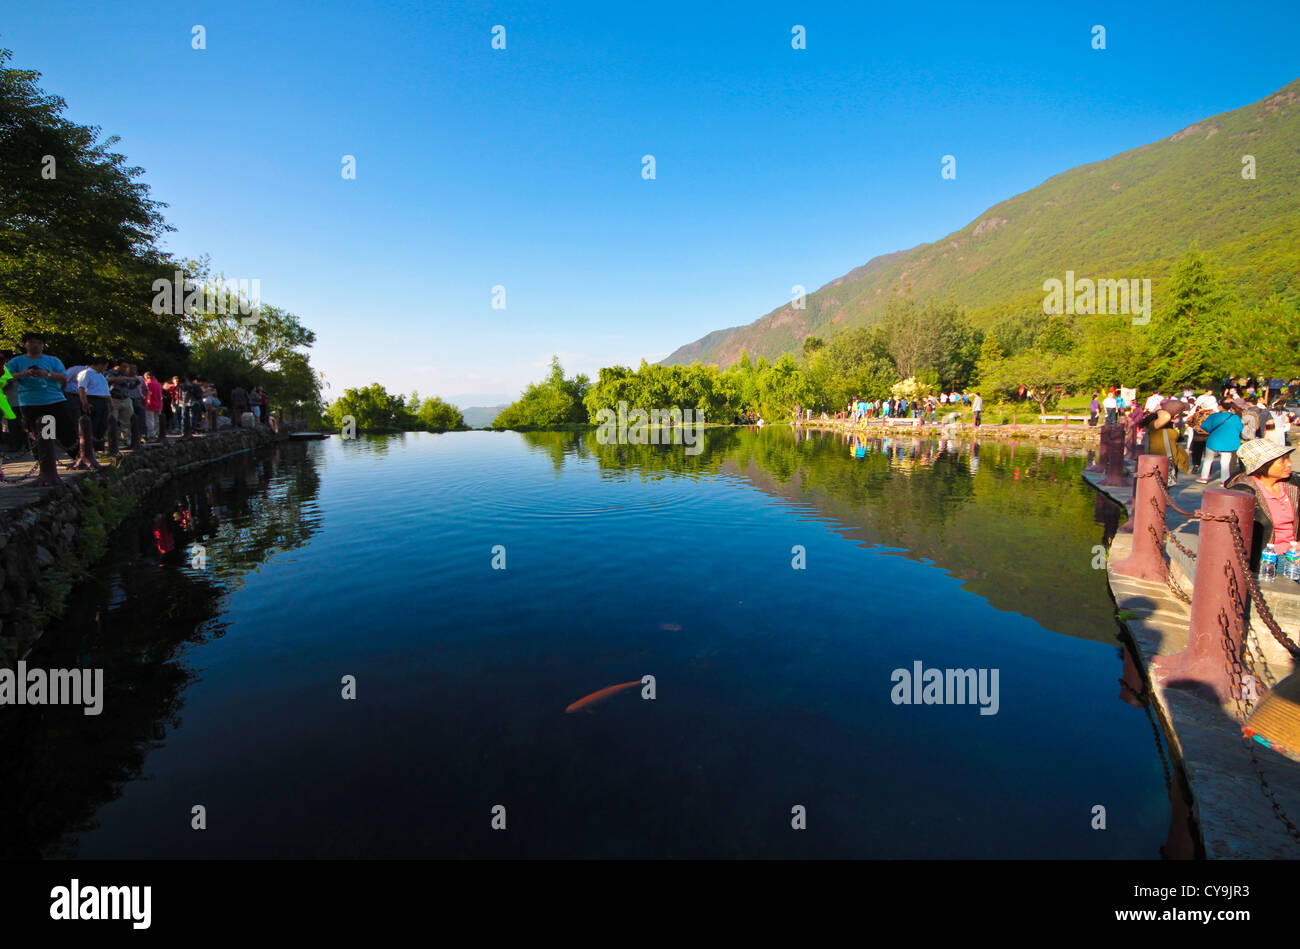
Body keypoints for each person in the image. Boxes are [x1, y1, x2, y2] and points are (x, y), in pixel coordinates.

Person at [5, 332, 76, 455]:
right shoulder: (17, 361)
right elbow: (5, 378)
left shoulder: (53, 360)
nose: (35, 345)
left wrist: (47, 374)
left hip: (55, 400)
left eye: (39, 343)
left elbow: (64, 377)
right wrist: (24, 373)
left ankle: (76, 457)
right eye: (31, 342)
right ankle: (43, 462)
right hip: (29, 402)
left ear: (43, 345)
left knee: (66, 431)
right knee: (36, 434)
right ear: (25, 344)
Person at [1226, 440, 1299, 559]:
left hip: (1295, 552)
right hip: (1269, 558)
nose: (1289, 464)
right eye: (1282, 461)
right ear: (1263, 465)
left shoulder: (1294, 484)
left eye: (1288, 459)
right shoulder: (1244, 492)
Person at [1198, 402, 1244, 484]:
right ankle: (1225, 480)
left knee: (1208, 460)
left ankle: (1204, 477)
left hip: (1214, 440)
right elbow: (1240, 428)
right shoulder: (1235, 417)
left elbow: (1205, 426)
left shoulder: (1214, 416)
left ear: (1220, 407)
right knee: (1226, 461)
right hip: (1229, 441)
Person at [76, 359, 113, 450]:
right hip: (93, 399)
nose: (106, 368)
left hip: (103, 401)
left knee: (102, 425)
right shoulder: (86, 373)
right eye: (105, 366)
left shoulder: (101, 376)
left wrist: (110, 401)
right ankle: (89, 448)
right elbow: (81, 389)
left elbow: (105, 390)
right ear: (100, 364)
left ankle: (99, 447)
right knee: (93, 425)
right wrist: (85, 403)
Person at [143, 371, 164, 440]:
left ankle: (151, 434)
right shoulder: (159, 384)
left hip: (150, 403)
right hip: (159, 404)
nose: (144, 379)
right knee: (157, 420)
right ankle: (157, 433)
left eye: (145, 377)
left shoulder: (147, 384)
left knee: (150, 420)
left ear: (148, 376)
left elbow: (145, 394)